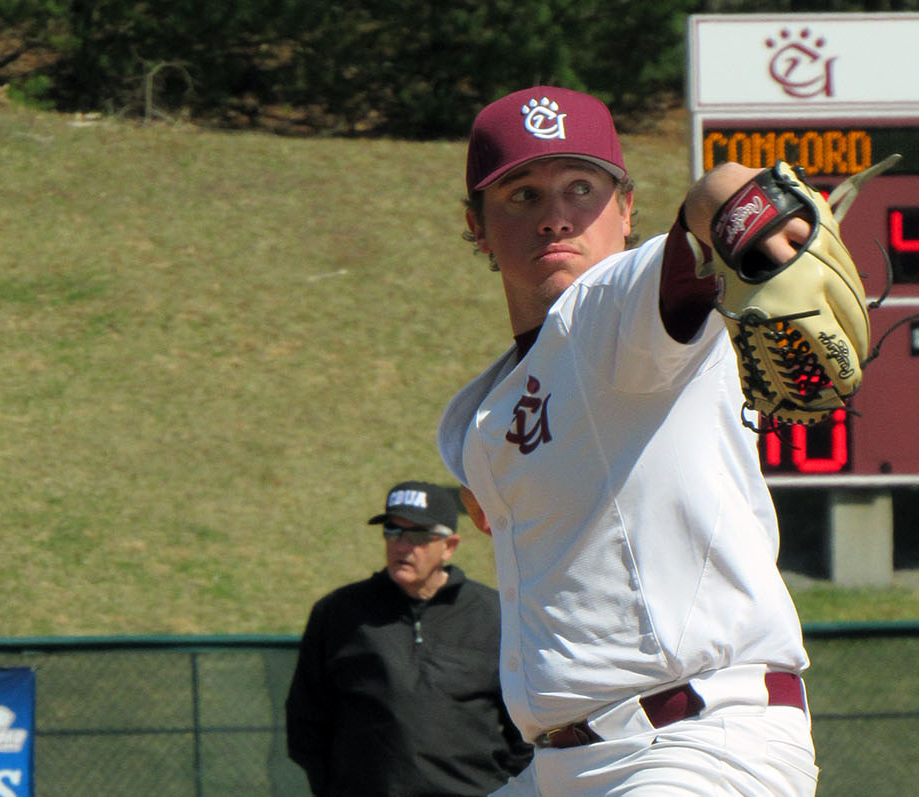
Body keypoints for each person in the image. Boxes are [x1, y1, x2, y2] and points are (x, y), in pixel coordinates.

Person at [437, 86, 825, 795]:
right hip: (563, 766)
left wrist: (733, 201)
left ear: (625, 208)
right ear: (477, 224)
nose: (555, 216)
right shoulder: (487, 410)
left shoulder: (617, 307)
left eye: (580, 188)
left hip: (693, 748)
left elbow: (713, 203)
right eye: (522, 195)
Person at [285, 480, 532, 796]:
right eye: (392, 530)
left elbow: (526, 727)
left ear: (449, 545)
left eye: (418, 534)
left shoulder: (494, 614)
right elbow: (306, 722)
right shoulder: (338, 614)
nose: (402, 545)